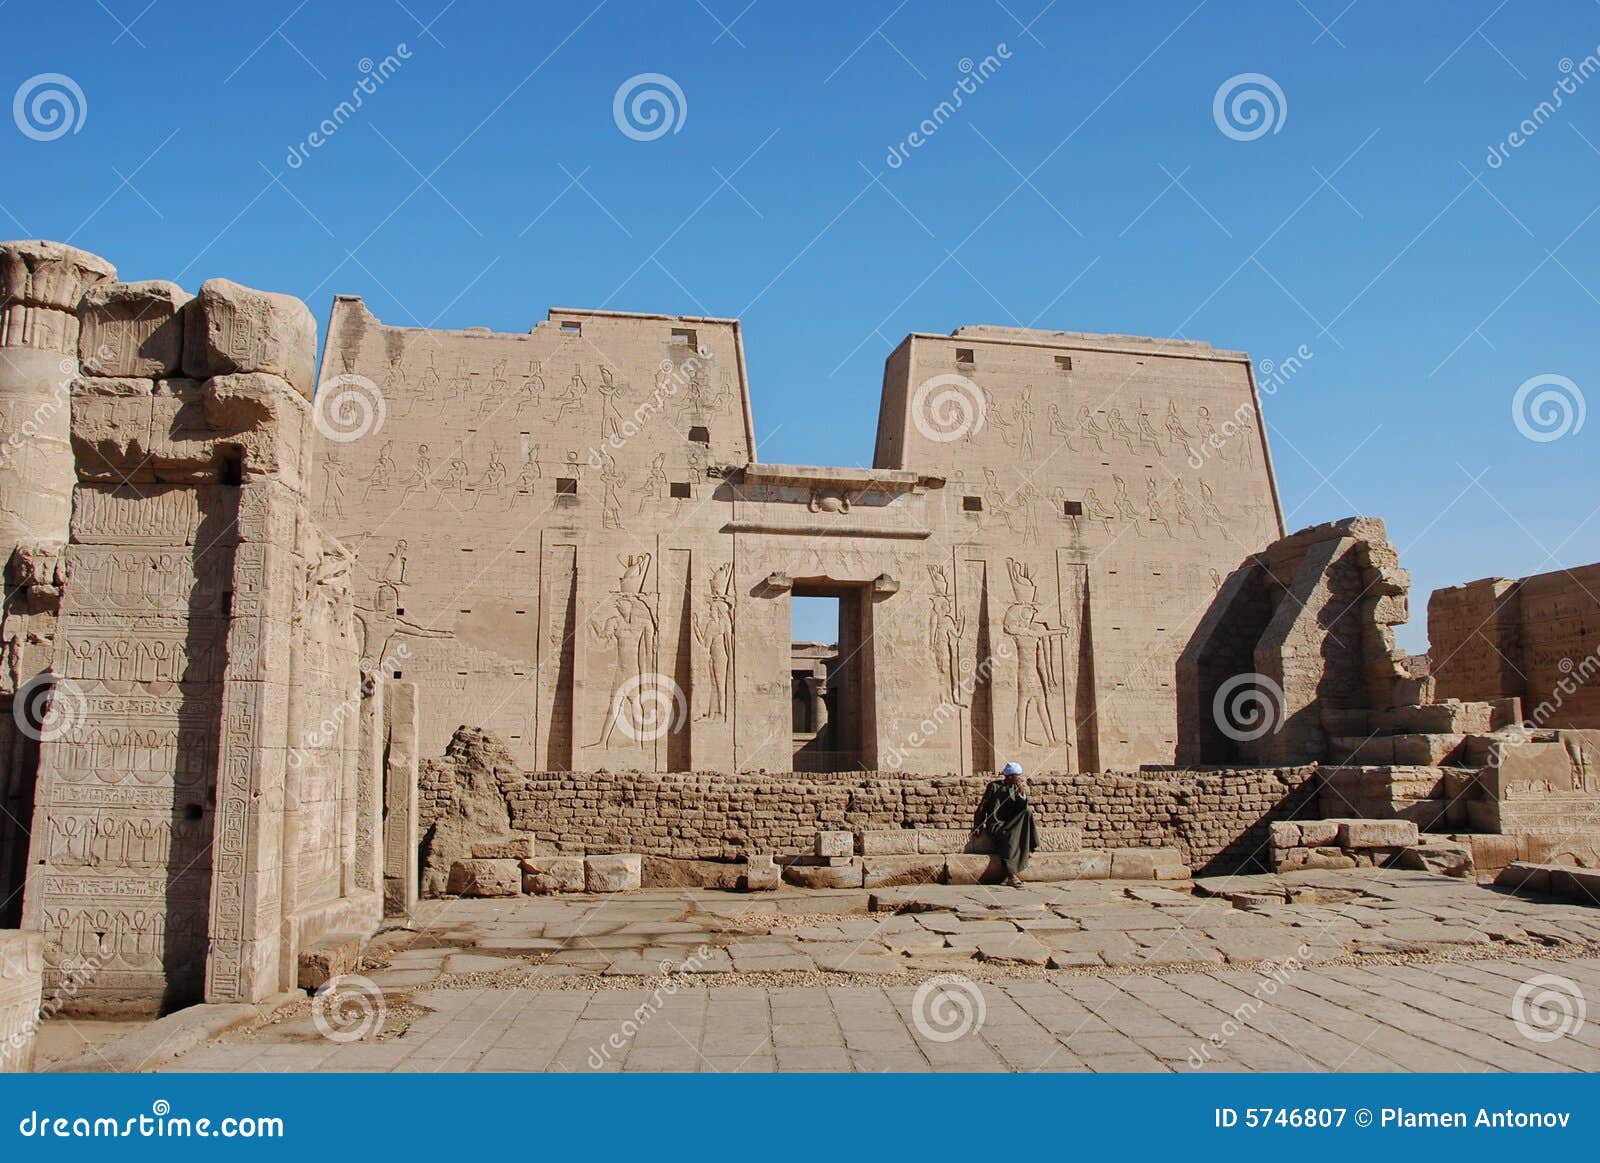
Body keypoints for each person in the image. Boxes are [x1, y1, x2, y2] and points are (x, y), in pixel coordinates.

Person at [973, 761, 1039, 887]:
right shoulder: (993, 786)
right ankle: (1011, 875)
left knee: (1028, 812)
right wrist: (978, 825)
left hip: (1011, 823)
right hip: (997, 824)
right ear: (1009, 776)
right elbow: (983, 806)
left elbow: (1021, 808)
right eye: (1016, 776)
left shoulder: (1015, 788)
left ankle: (1031, 846)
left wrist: (1021, 791)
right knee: (1009, 840)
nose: (1019, 778)